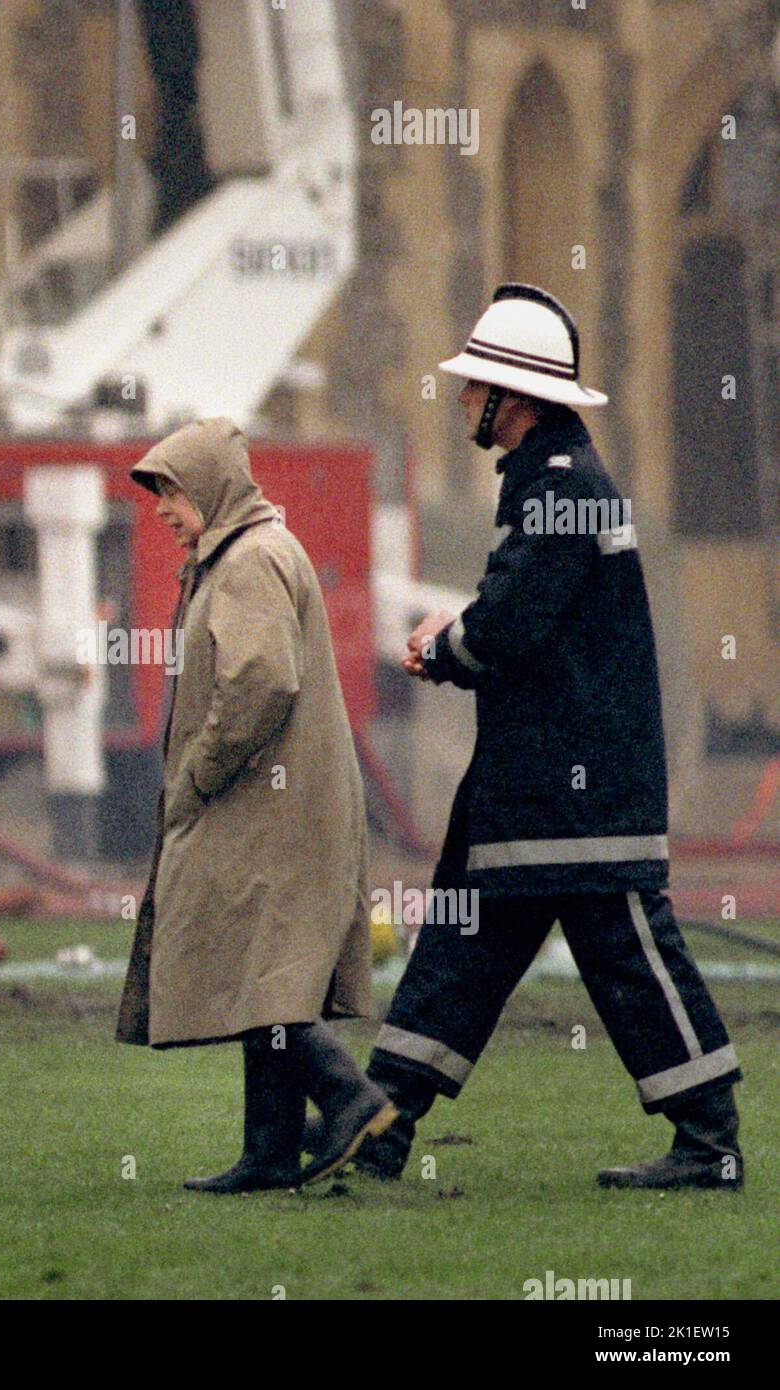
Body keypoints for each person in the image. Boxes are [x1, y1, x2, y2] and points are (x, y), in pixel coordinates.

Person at [351, 284, 744, 1190]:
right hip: (541, 789)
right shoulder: (555, 484)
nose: (460, 401)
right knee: (461, 941)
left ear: (511, 401)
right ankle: (379, 1123)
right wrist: (465, 636)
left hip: (580, 794)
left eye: (473, 387)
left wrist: (444, 647)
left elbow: (513, 622)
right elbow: (529, 609)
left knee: (629, 957)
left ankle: (712, 1143)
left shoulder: (564, 489)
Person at [115, 417, 396, 1192]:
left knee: (258, 972)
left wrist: (197, 776)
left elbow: (262, 683)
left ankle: (350, 1100)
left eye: (170, 490)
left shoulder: (245, 563)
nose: (162, 508)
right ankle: (270, 1153)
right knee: (262, 971)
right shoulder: (254, 550)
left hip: (268, 806)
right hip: (284, 804)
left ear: (208, 486)